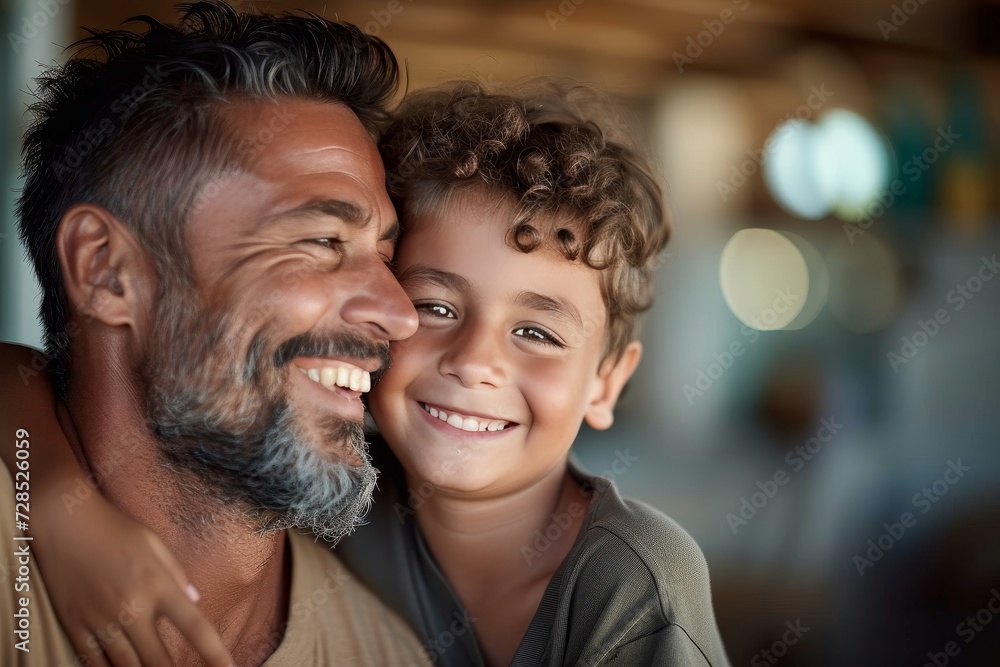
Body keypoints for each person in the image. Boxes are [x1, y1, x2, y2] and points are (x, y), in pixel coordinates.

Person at [3, 77, 732, 665]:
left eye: (536, 331)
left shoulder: (632, 585)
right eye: (434, 305)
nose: (476, 360)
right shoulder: (339, 472)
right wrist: (59, 502)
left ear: (607, 381)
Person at [0, 2, 434, 665]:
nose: (401, 314)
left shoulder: (387, 652)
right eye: (322, 239)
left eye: (383, 252)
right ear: (107, 271)